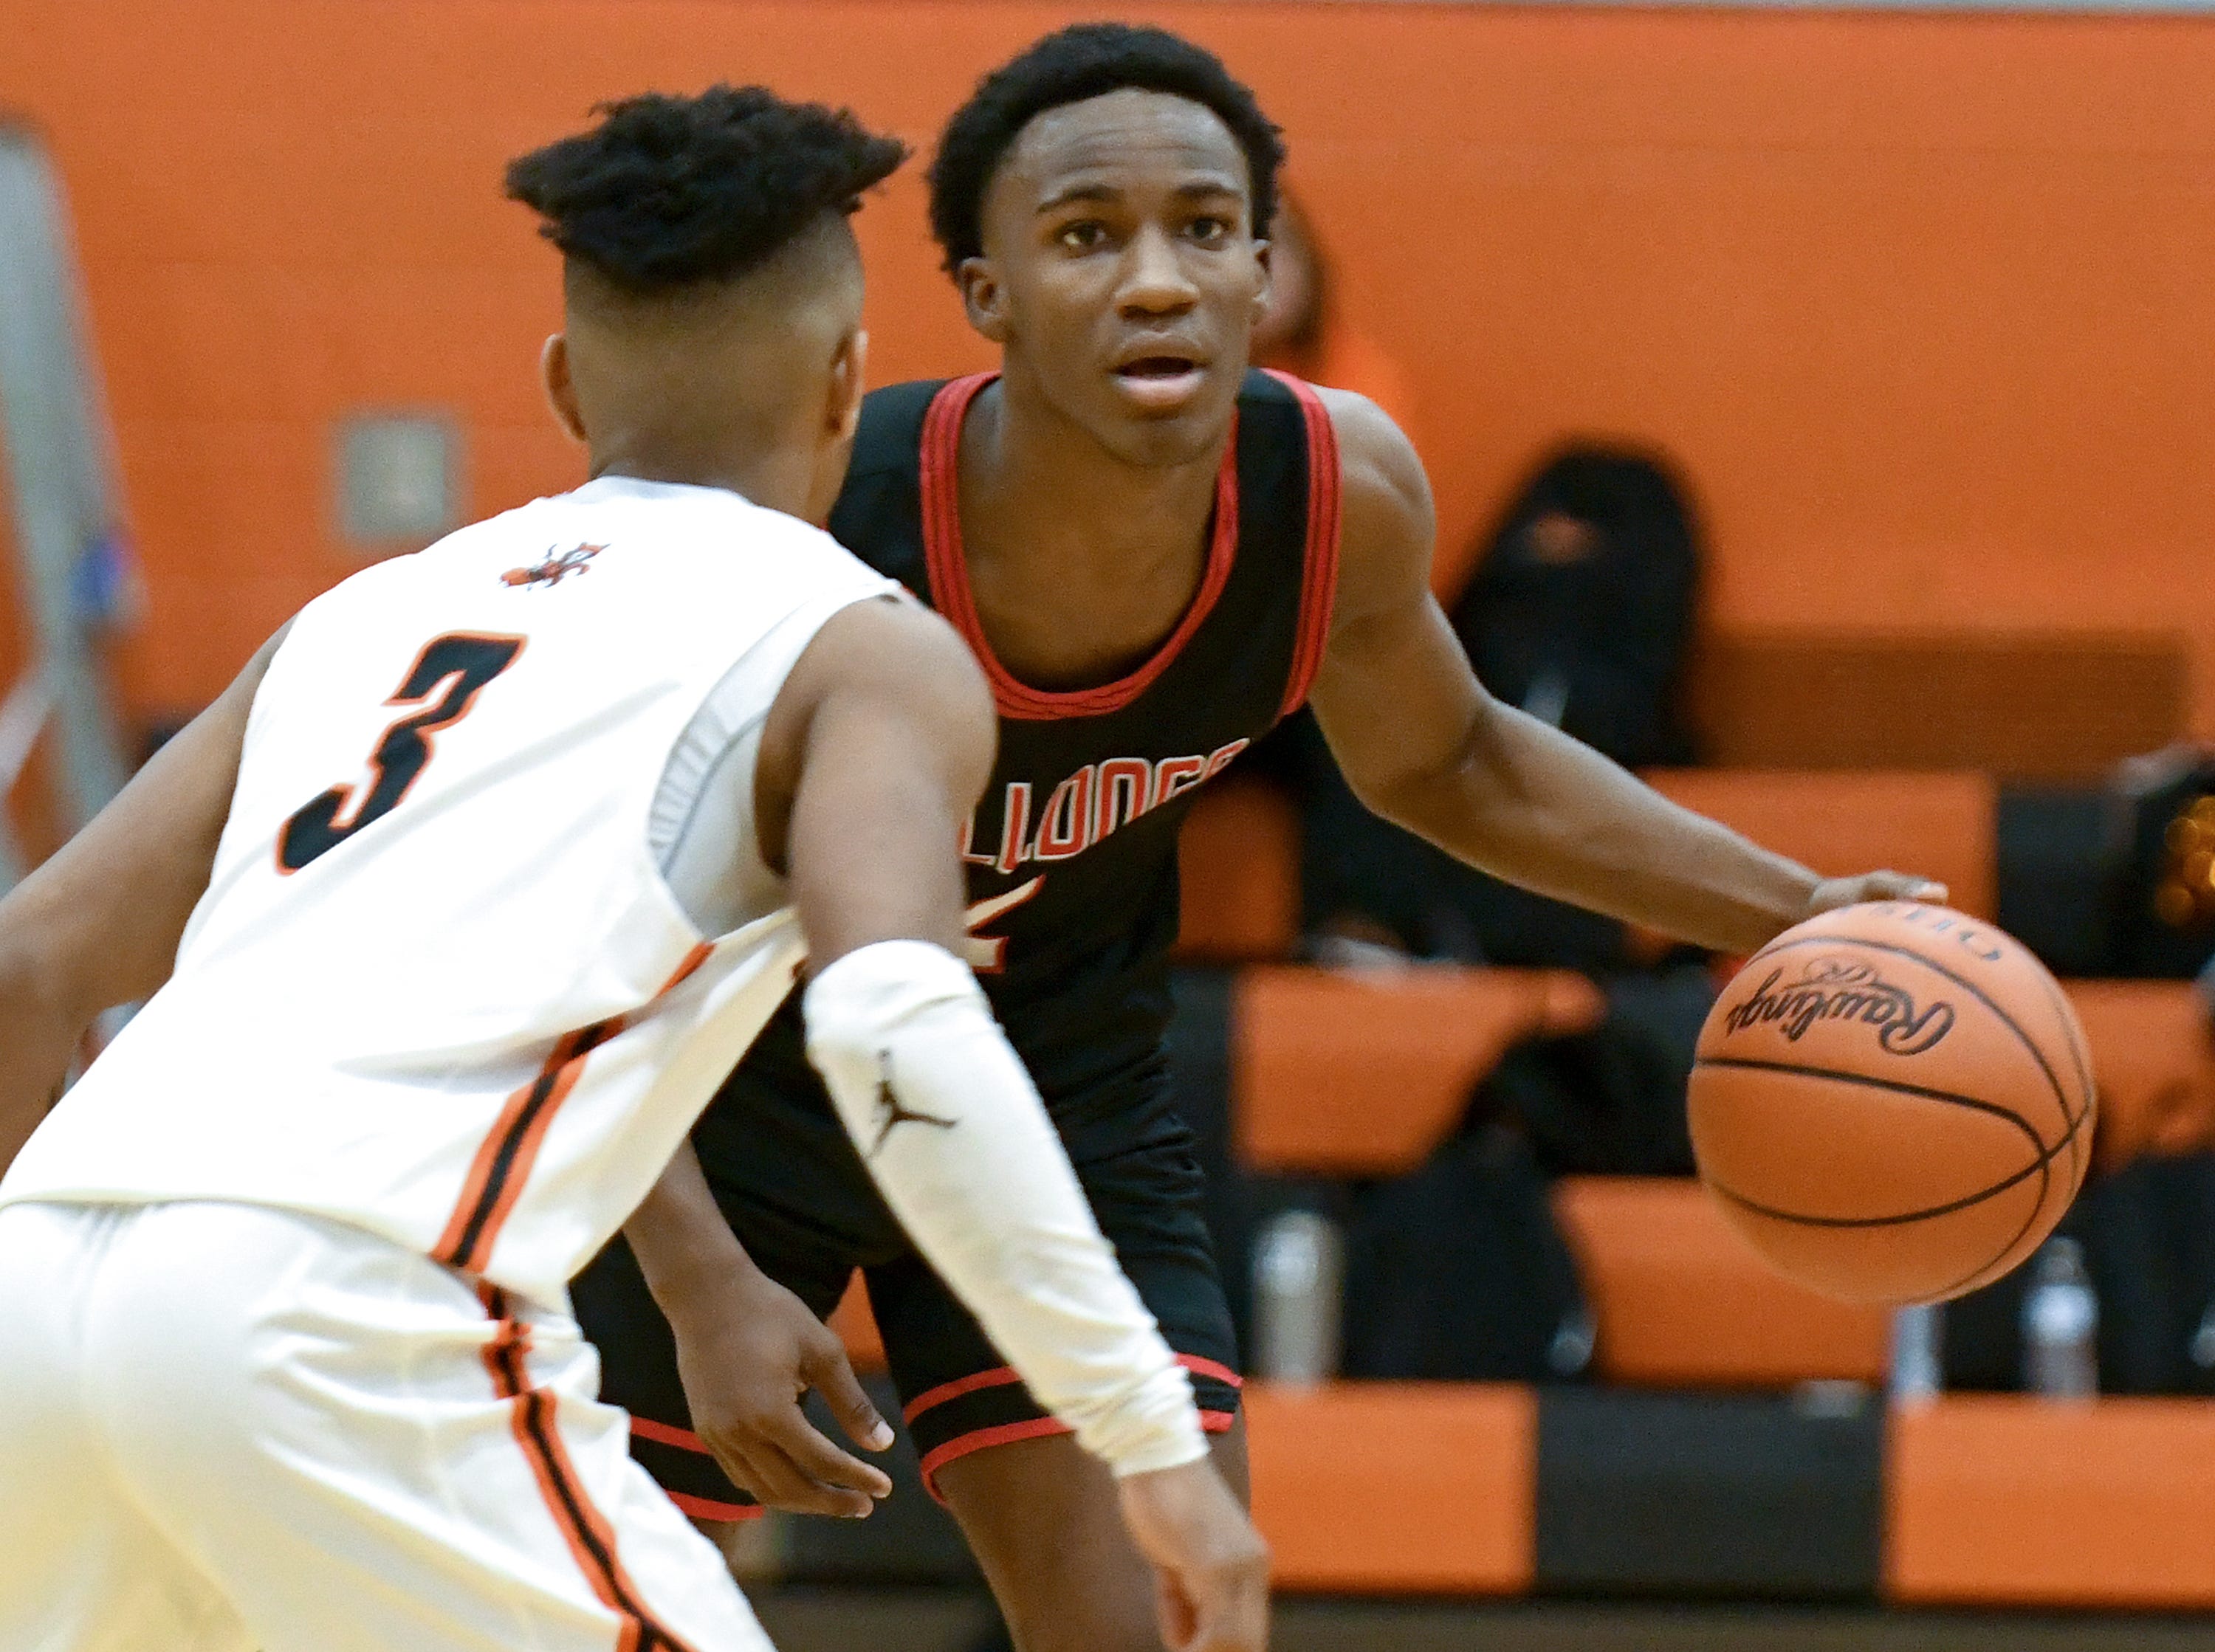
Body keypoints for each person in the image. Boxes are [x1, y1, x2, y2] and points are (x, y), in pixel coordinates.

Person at [574, 24, 1945, 1652]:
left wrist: (1791, 912)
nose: (1159, 280)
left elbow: (1460, 762)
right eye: (1088, 237)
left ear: (1265, 266)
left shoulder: (1332, 491)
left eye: (1207, 229)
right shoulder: (804, 521)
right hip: (723, 1116)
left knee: (1171, 1623)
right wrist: (700, 1281)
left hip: (1056, 1104)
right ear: (983, 290)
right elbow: (564, 937)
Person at [0, 86, 1264, 1652]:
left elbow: (29, 963)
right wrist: (1148, 1437)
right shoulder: (858, 648)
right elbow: (900, 1030)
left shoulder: (352, 620)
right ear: (845, 384)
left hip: (39, 1293)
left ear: (559, 385)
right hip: (344, 1314)